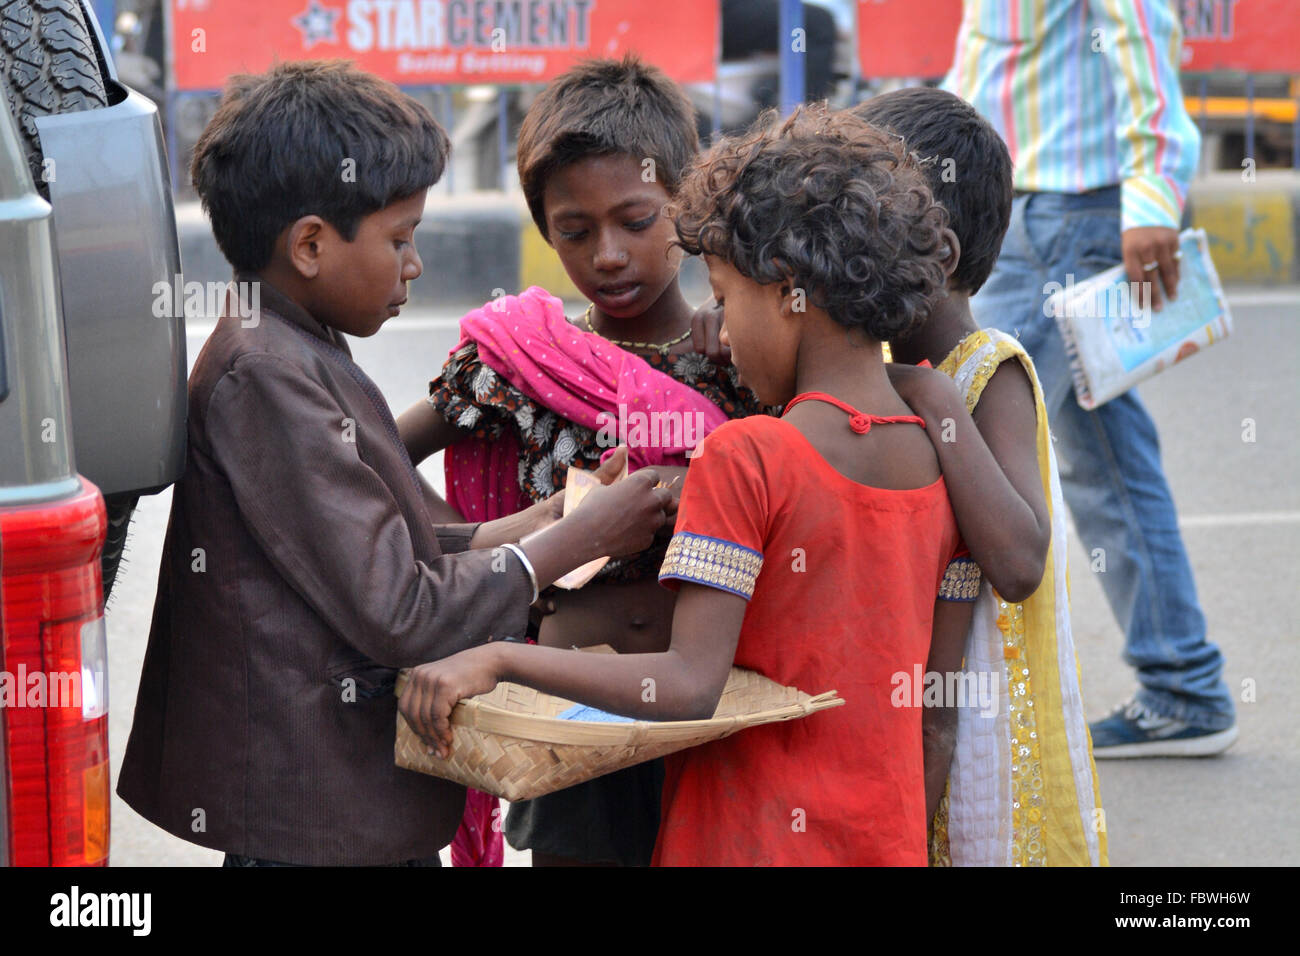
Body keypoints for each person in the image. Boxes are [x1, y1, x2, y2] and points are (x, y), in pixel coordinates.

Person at [115, 60, 673, 867]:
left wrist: (548, 519)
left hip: (337, 806)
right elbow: (401, 606)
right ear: (309, 244)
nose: (414, 265)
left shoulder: (295, 341)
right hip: (315, 816)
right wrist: (576, 544)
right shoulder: (264, 372)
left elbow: (380, 541)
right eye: (399, 239)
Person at [399, 104, 974, 866]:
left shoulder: (748, 456)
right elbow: (936, 719)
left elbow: (688, 684)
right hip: (882, 837)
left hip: (742, 835)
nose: (723, 334)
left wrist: (499, 659)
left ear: (787, 291)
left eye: (729, 299)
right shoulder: (944, 453)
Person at [396, 55, 765, 867]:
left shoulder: (745, 355)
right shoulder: (525, 360)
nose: (606, 254)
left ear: (685, 202)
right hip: (565, 722)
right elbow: (372, 460)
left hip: (714, 713)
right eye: (574, 230)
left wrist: (745, 326)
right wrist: (496, 542)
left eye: (636, 220)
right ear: (543, 228)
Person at [945, 0, 1237, 755]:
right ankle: (1182, 683)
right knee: (1091, 457)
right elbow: (985, 69)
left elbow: (1144, 45)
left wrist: (1150, 198)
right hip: (1024, 214)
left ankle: (1177, 683)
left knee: (992, 447)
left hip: (1063, 218)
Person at [855, 87, 1106, 866]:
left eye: (861, 234)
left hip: (1001, 740)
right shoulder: (884, 373)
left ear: (938, 258)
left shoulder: (988, 370)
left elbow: (1020, 560)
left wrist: (935, 402)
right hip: (933, 716)